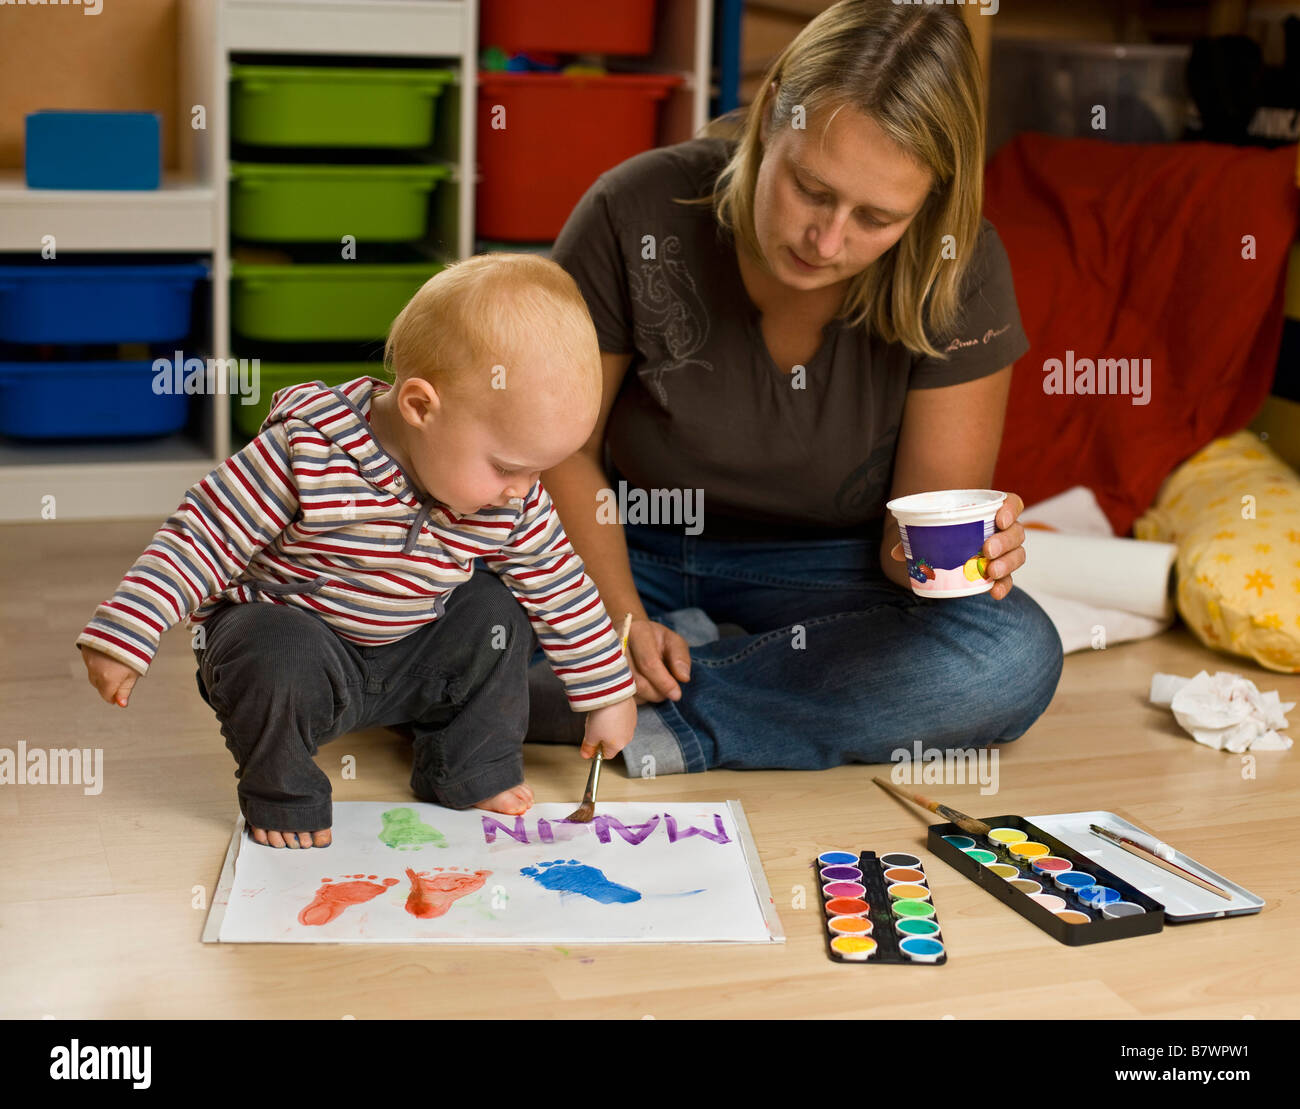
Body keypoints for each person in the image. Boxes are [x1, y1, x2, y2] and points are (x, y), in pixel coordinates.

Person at [526, 0, 1064, 775]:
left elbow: (902, 550)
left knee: (1008, 655)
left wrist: (966, 556)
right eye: (812, 188)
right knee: (433, 605)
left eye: (877, 217)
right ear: (773, 110)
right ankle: (650, 666)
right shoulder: (633, 208)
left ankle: (645, 713)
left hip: (827, 570)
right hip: (628, 539)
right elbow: (562, 451)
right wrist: (614, 622)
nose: (828, 239)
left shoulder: (960, 265)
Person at [77, 254, 637, 847]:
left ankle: (468, 767)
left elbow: (560, 585)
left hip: (410, 656)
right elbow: (202, 532)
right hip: (302, 654)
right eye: (506, 466)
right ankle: (284, 793)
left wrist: (607, 691)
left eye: (538, 471)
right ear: (421, 407)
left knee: (498, 614)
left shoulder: (511, 498)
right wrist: (127, 634)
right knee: (270, 646)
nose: (523, 490)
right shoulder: (307, 452)